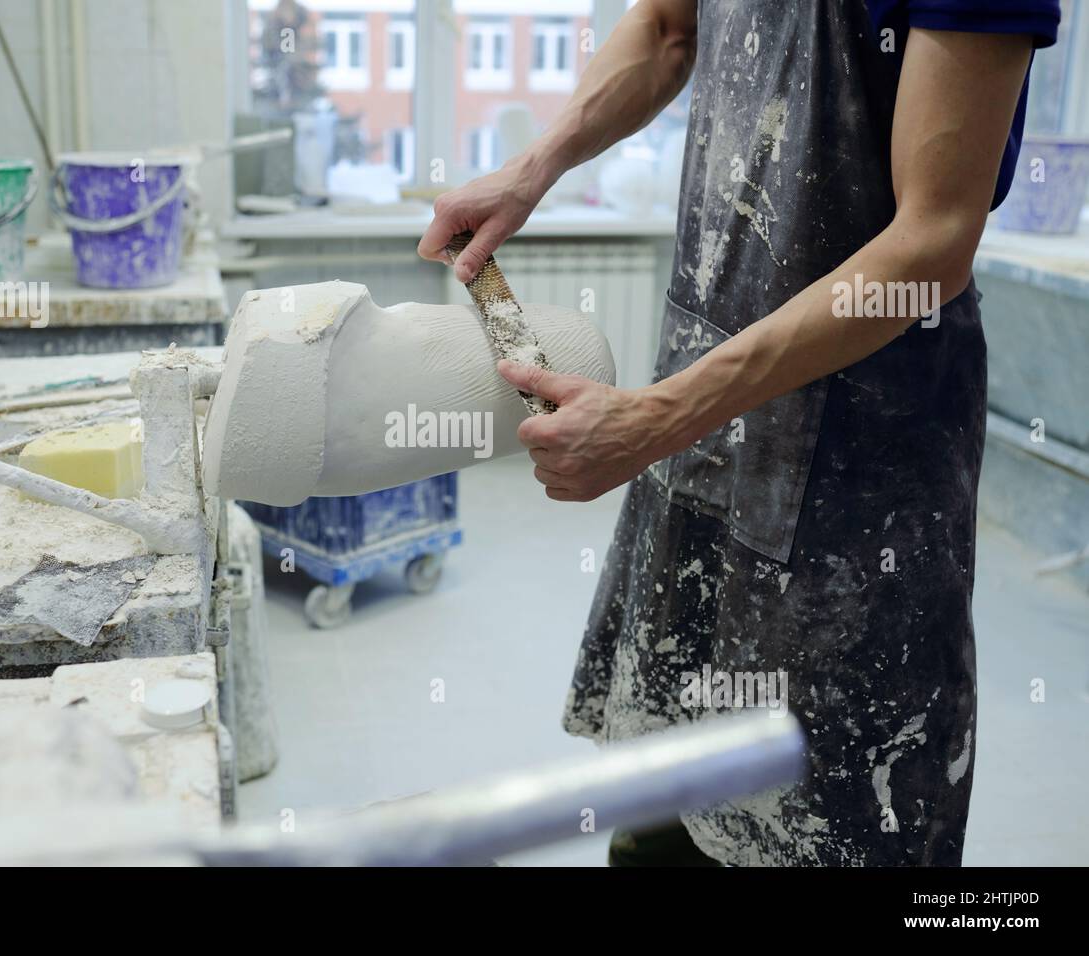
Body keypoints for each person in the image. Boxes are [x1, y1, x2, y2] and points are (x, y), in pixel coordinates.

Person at [419, 0, 1061, 866]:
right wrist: (532, 169)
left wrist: (658, 417)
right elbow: (665, 28)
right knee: (665, 804)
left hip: (860, 469)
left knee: (829, 815)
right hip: (703, 422)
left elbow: (934, 242)